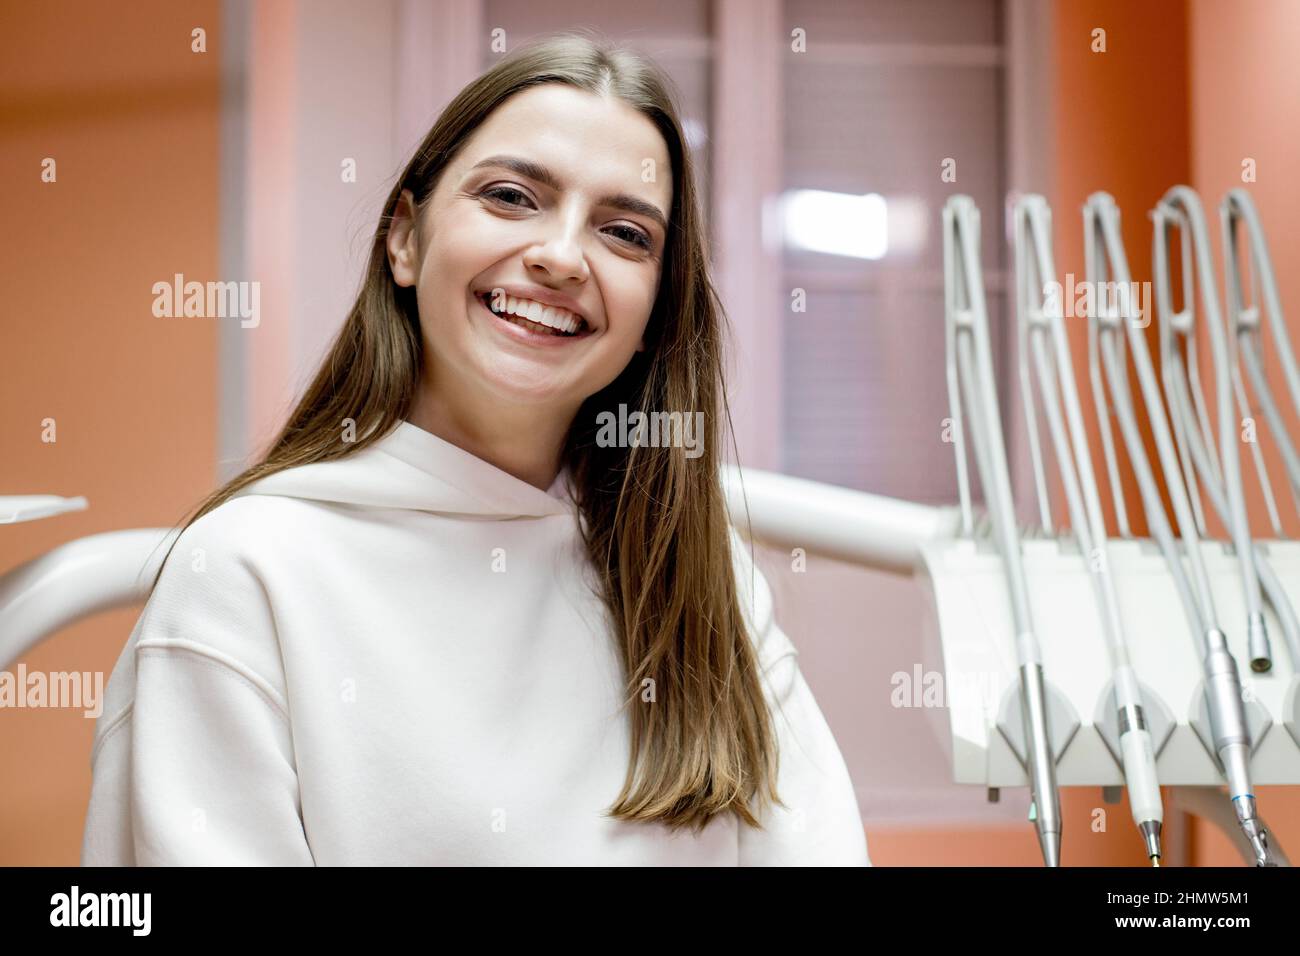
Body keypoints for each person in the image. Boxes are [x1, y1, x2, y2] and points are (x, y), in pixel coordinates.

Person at [81, 30, 869, 866]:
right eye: (511, 197)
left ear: (653, 316)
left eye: (625, 234)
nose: (561, 257)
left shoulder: (708, 584)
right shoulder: (247, 577)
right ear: (406, 240)